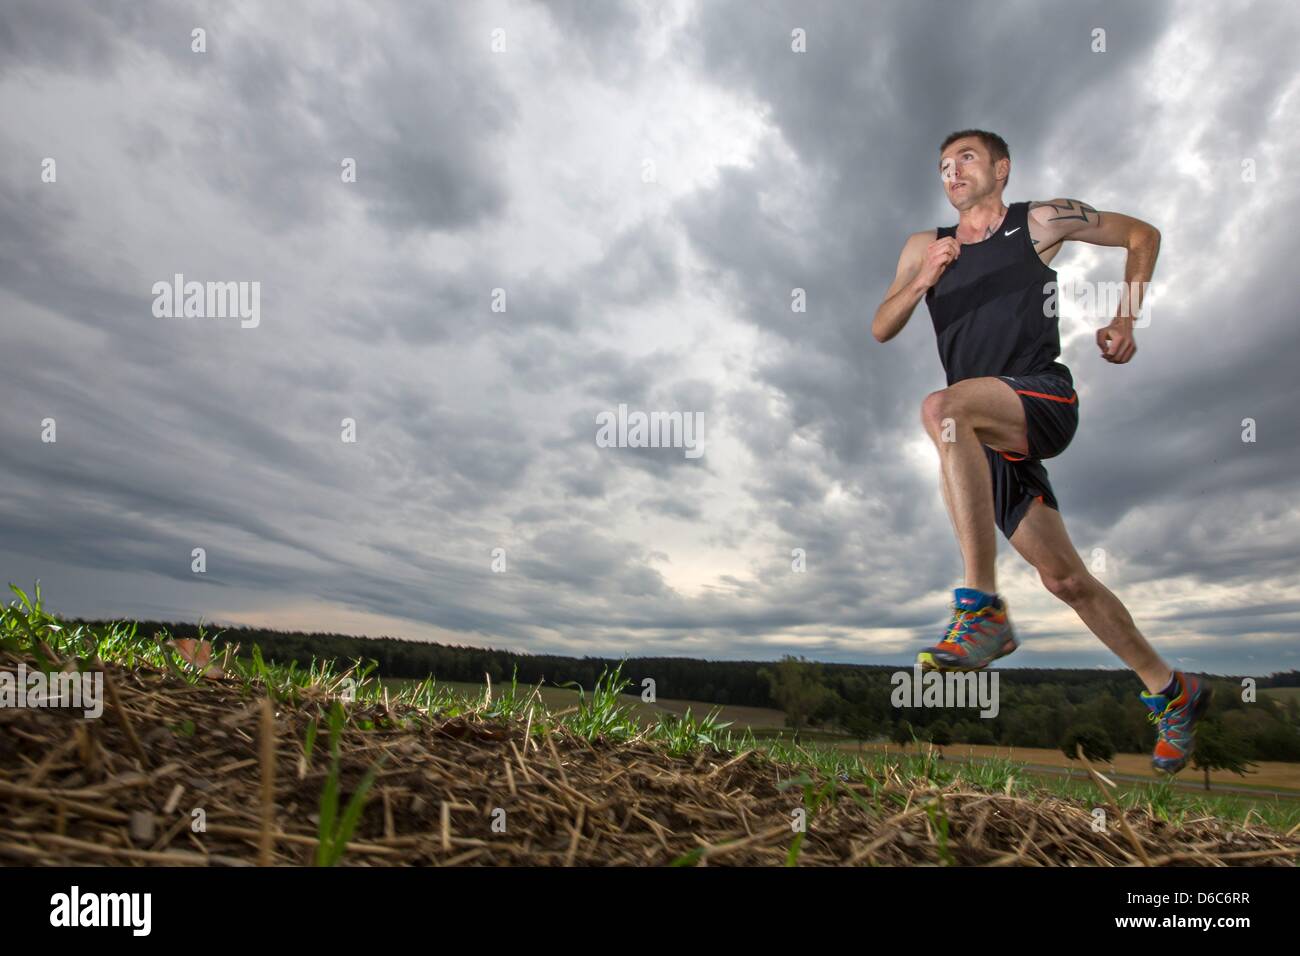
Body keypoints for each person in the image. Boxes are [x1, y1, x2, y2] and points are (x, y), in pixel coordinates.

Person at [871, 129, 1209, 773]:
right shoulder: (925, 245)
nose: (952, 171)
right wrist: (924, 279)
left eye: (966, 158)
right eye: (943, 165)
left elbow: (1144, 235)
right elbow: (881, 326)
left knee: (941, 408)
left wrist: (1126, 316)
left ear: (1002, 167)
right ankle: (1170, 690)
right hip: (982, 441)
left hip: (1041, 398)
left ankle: (980, 608)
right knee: (1066, 579)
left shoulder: (1040, 221)